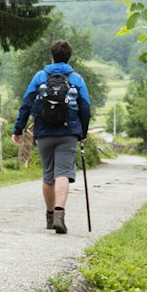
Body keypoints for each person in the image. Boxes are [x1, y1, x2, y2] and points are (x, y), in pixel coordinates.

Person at [12, 38, 91, 234]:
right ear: (69, 56)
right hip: (69, 132)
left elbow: (26, 104)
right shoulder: (77, 79)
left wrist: (18, 129)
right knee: (63, 172)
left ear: (52, 56)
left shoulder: (40, 77)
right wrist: (83, 132)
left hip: (44, 132)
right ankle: (59, 214)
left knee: (48, 175)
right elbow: (85, 107)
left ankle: (49, 217)